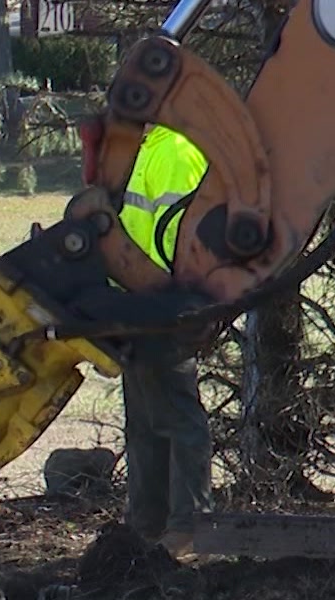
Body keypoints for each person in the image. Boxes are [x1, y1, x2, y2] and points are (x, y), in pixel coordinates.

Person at [116, 123, 213, 556]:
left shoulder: (174, 150)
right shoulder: (150, 147)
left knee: (177, 419)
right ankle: (146, 525)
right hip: (136, 305)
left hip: (162, 304)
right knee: (145, 422)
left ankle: (189, 527)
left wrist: (173, 298)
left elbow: (182, 236)